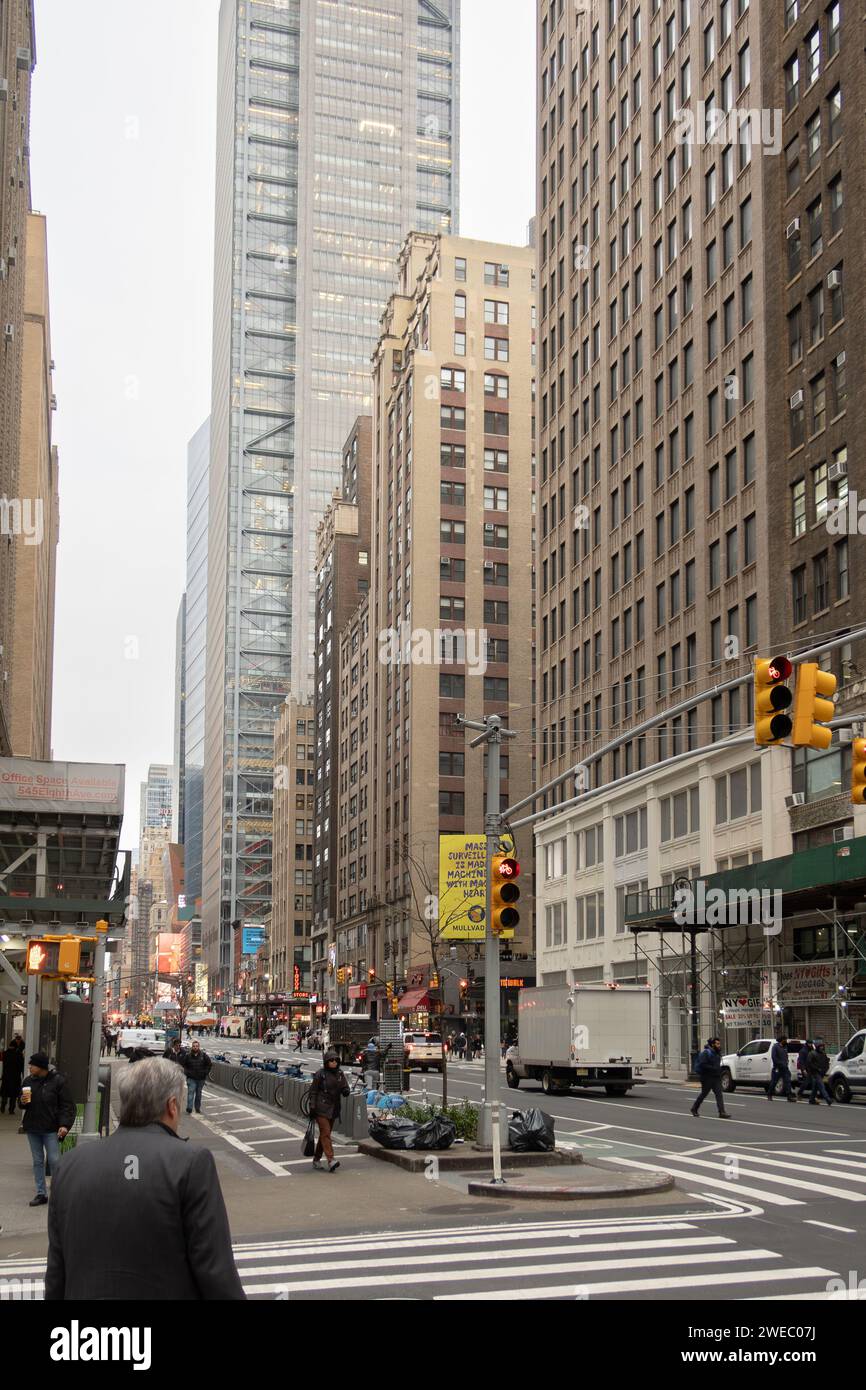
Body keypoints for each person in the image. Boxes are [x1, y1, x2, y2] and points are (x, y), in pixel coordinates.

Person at [44, 1057, 244, 1300]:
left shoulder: (69, 1166)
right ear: (172, 1106)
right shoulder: (190, 1163)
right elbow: (215, 1272)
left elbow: (56, 1273)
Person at [20, 1051, 76, 1206]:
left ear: (41, 1067)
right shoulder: (28, 1081)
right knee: (37, 1161)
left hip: (51, 1128)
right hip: (33, 1127)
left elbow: (67, 1106)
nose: (30, 1067)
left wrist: (64, 1125)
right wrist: (23, 1101)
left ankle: (58, 1193)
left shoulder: (57, 1081)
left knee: (54, 1160)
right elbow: (23, 1103)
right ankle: (41, 1193)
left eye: (33, 1064)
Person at [307, 1051, 350, 1172]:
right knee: (325, 1133)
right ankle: (331, 1160)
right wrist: (312, 1106)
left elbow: (344, 1086)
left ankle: (316, 1158)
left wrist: (346, 1090)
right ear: (326, 1062)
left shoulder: (340, 1074)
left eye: (336, 1060)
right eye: (331, 1060)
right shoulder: (320, 1074)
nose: (334, 1062)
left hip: (334, 1108)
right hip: (321, 1107)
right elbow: (313, 1092)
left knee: (324, 1135)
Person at [690, 1037, 731, 1119]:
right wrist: (713, 1068)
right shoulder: (706, 1052)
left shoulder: (716, 1052)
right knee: (704, 1094)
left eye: (719, 1043)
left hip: (716, 1077)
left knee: (719, 1094)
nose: (719, 1045)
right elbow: (702, 1064)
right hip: (707, 1077)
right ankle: (694, 1108)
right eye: (717, 1044)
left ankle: (722, 1112)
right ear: (713, 1044)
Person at [181, 1039, 212, 1114]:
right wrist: (187, 1072)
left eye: (196, 1046)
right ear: (192, 1047)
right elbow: (183, 1065)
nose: (195, 1047)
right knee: (190, 1093)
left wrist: (205, 1072)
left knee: (198, 1094)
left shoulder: (204, 1055)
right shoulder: (188, 1056)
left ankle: (197, 1108)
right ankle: (189, 1108)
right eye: (194, 1046)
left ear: (199, 1047)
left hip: (201, 1079)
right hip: (191, 1078)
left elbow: (209, 1064)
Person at [767, 1035, 797, 1103]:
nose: (786, 1041)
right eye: (785, 1040)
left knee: (787, 1081)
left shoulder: (785, 1047)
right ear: (782, 1040)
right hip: (777, 1068)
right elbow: (774, 1057)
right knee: (774, 1081)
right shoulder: (775, 1047)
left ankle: (789, 1096)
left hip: (785, 1068)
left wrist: (786, 1062)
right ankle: (769, 1094)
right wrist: (780, 1064)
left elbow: (785, 1056)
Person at [0, 1035, 24, 1114]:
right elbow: (21, 1066)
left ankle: (3, 1106)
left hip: (6, 1076)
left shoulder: (5, 1054)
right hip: (15, 1077)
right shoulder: (19, 1055)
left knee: (4, 1093)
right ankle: (11, 1109)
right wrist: (22, 1074)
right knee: (13, 1094)